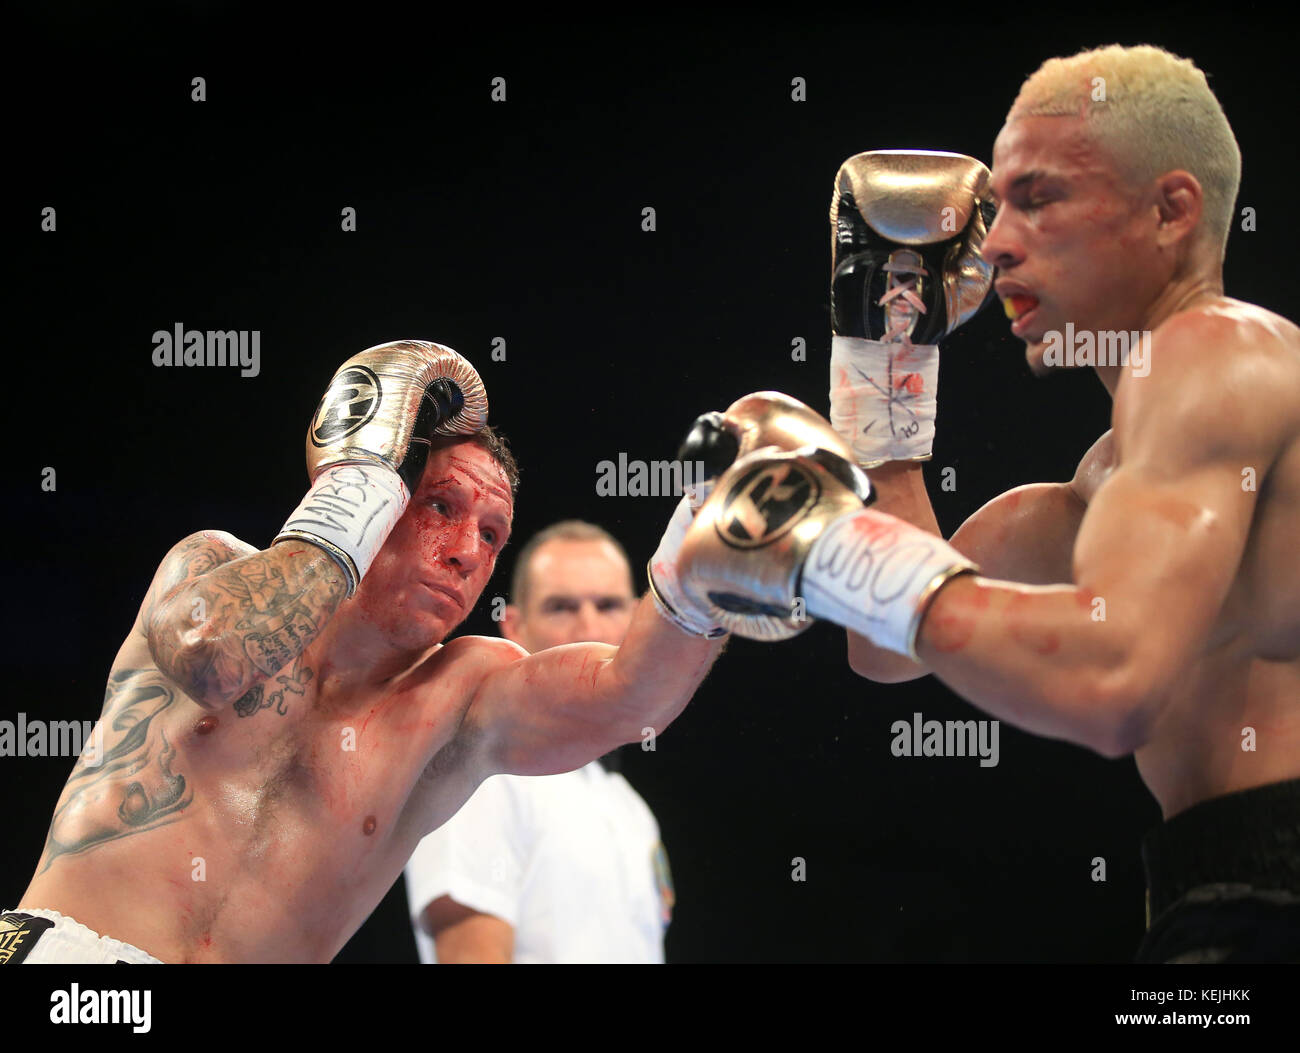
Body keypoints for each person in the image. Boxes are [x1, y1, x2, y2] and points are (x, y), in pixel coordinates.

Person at [676, 45, 1300, 962]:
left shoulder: (1217, 352)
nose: (997, 239)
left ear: (1171, 210)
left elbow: (1112, 679)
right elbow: (886, 650)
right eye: (998, 203)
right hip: (1209, 897)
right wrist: (887, 363)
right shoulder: (1096, 489)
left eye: (1041, 199)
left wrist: (830, 547)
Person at [4, 339, 729, 964]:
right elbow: (214, 656)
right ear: (384, 498)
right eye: (442, 506)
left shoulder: (462, 692)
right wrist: (357, 481)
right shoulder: (209, 564)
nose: (464, 552)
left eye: (491, 534)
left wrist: (709, 556)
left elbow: (633, 696)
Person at [405, 521, 674, 964]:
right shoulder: (480, 771)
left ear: (635, 621)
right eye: (561, 607)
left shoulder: (630, 807)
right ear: (514, 626)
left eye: (607, 606)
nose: (589, 627)